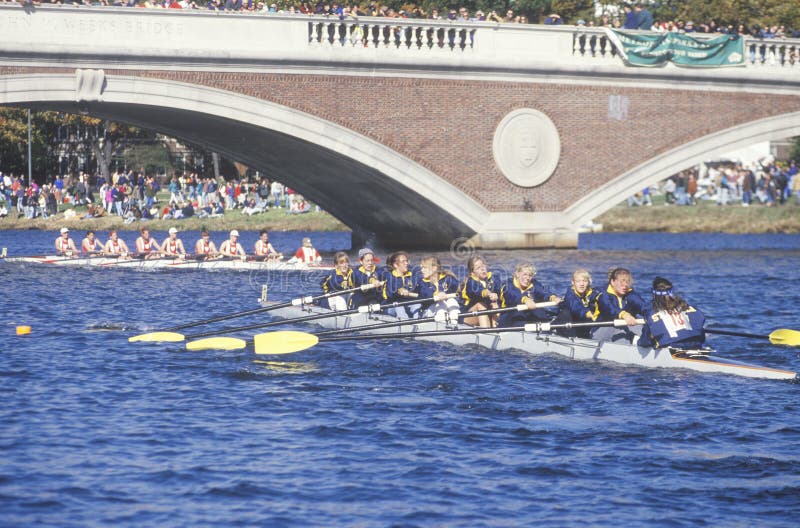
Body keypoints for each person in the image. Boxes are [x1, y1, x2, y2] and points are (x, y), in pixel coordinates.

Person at [638, 277, 706, 350]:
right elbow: (701, 331)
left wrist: (639, 343)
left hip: (673, 347)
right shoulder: (685, 305)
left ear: (653, 293)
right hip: (696, 343)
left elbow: (646, 341)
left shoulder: (651, 310)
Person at [592, 267, 647, 343]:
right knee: (621, 328)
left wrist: (656, 313)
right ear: (612, 282)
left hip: (622, 327)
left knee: (646, 327)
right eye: (621, 282)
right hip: (600, 329)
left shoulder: (630, 294)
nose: (625, 285)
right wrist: (624, 315)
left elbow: (643, 305)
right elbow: (609, 308)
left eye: (627, 282)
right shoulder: (602, 294)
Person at [497, 263, 560, 328]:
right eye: (525, 274)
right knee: (519, 315)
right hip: (510, 317)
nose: (527, 278)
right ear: (517, 274)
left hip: (528, 317)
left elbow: (543, 292)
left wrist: (553, 297)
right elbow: (513, 294)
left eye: (530, 275)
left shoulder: (534, 284)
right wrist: (525, 300)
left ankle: (548, 329)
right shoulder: (507, 285)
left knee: (540, 312)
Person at [459, 255, 501, 328]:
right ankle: (487, 334)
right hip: (466, 317)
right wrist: (489, 293)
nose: (482, 269)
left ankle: (496, 329)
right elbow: (477, 290)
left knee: (495, 304)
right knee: (481, 305)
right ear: (472, 272)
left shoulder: (493, 278)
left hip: (486, 314)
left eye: (483, 266)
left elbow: (502, 290)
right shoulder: (470, 282)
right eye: (478, 268)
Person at [558, 269, 599, 338]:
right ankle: (572, 338)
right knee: (565, 313)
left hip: (583, 325)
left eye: (584, 281)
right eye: (578, 281)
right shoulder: (570, 295)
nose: (581, 284)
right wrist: (588, 313)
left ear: (589, 283)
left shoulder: (594, 293)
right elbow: (575, 306)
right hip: (568, 325)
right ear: (573, 283)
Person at [382, 251, 418, 319]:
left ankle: (420, 324)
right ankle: (405, 324)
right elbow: (390, 292)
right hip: (390, 306)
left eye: (407, 261)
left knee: (417, 304)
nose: (406, 263)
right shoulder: (389, 276)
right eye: (403, 261)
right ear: (395, 265)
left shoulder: (411, 275)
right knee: (398, 305)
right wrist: (399, 290)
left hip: (406, 304)